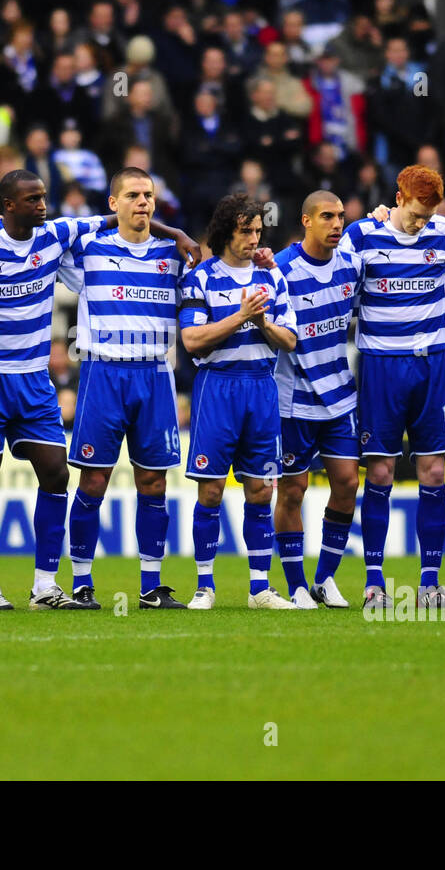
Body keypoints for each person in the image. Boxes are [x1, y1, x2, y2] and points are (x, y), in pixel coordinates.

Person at [0, 170, 195, 609]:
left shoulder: (67, 236)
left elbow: (132, 225)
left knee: (60, 473)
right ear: (8, 205)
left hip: (55, 376)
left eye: (148, 195)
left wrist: (179, 232)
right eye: (33, 199)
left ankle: (47, 586)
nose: (43, 204)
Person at [61, 167, 187, 609]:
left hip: (154, 373)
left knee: (153, 482)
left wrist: (177, 233)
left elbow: (212, 259)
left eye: (149, 195)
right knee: (94, 479)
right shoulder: (89, 251)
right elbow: (38, 240)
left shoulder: (174, 256)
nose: (143, 203)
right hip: (103, 373)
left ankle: (151, 586)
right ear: (112, 204)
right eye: (132, 195)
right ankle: (81, 584)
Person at [340, 165, 445, 610]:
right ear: (397, 198)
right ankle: (375, 584)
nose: (420, 223)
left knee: (434, 473)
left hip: (430, 365)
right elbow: (340, 294)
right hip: (381, 367)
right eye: (414, 214)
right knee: (380, 473)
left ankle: (430, 585)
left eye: (428, 216)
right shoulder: (360, 237)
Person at [179, 193, 298, 610]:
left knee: (261, 491)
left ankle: (260, 589)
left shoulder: (272, 278)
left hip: (261, 387)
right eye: (246, 231)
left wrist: (263, 321)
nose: (253, 238)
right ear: (226, 232)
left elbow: (291, 340)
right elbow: (192, 341)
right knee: (210, 491)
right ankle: (204, 587)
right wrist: (241, 316)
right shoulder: (200, 278)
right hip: (218, 387)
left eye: (258, 232)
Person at [272, 191, 363, 609]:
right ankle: (296, 585)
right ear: (306, 221)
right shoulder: (281, 268)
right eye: (327, 216)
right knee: (293, 490)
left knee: (346, 483)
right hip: (293, 400)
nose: (337, 224)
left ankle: (325, 578)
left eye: (341, 217)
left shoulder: (351, 265)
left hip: (339, 395)